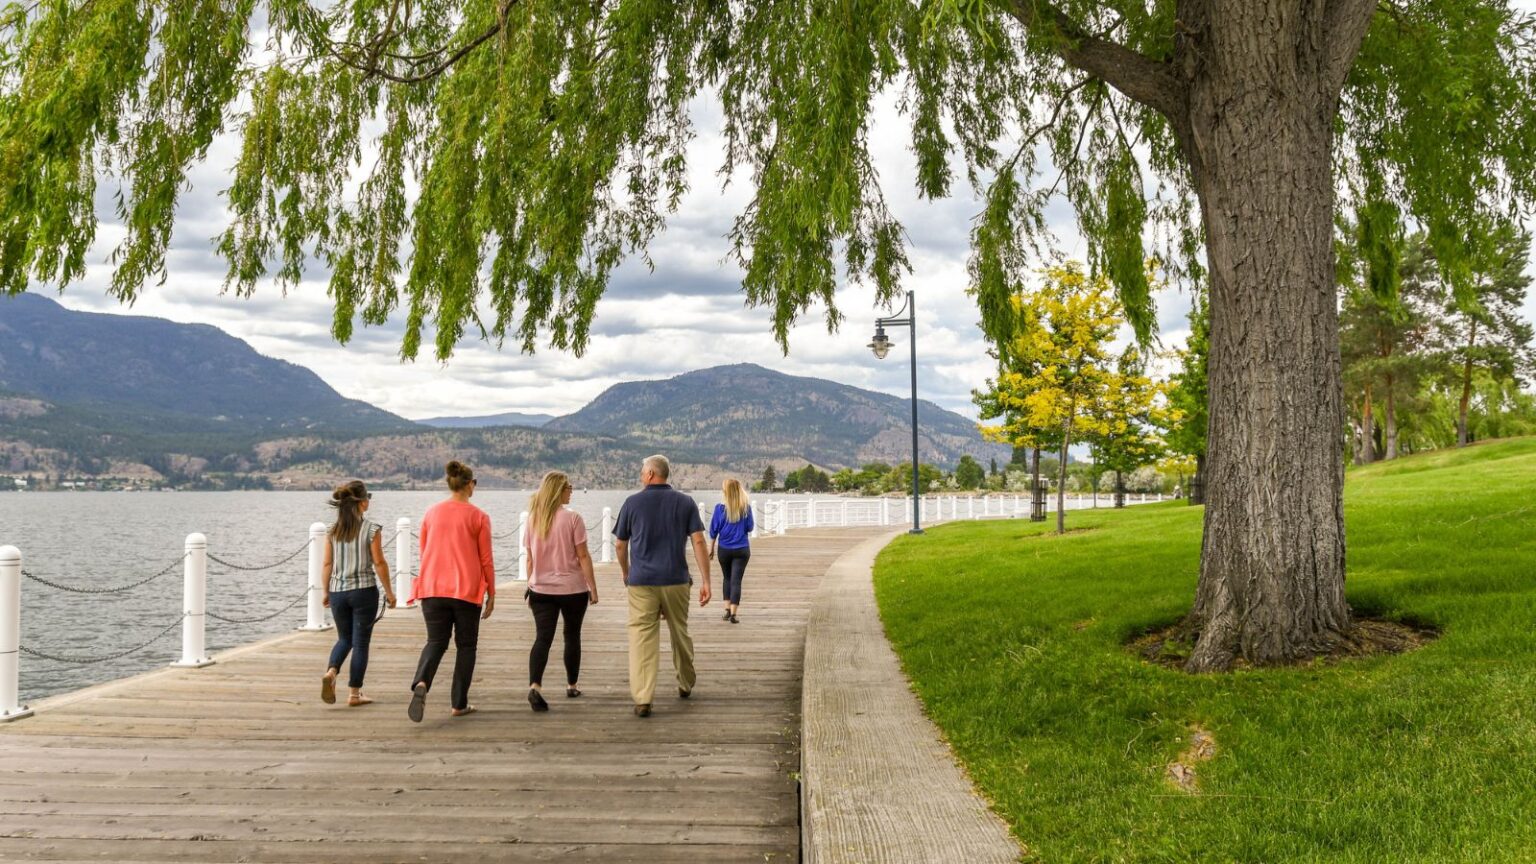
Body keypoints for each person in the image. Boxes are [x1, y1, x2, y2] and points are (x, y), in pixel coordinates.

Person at [614, 454, 712, 717]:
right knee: (680, 631)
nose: (640, 475)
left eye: (641, 472)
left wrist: (626, 573)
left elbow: (620, 544)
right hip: (676, 579)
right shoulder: (685, 502)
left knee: (642, 636)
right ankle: (685, 682)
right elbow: (699, 542)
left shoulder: (632, 503)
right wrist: (706, 580)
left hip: (642, 581)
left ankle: (643, 697)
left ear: (650, 475)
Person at [408, 460, 495, 721]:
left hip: (432, 588)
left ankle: (422, 682)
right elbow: (486, 559)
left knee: (436, 641)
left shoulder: (431, 513)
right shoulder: (478, 516)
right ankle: (459, 703)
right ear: (470, 485)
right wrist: (492, 592)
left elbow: (424, 551)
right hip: (465, 591)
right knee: (466, 646)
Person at [523, 470, 598, 711]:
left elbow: (530, 559)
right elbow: (583, 556)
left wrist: (529, 585)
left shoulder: (533, 518)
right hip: (572, 589)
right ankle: (571, 685)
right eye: (569, 487)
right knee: (572, 635)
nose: (572, 490)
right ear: (559, 490)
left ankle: (535, 686)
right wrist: (592, 588)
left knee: (542, 638)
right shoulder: (573, 518)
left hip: (541, 590)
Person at [320, 480, 396, 707]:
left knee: (344, 639)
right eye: (368, 498)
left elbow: (327, 564)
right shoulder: (371, 529)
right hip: (364, 592)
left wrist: (326, 592)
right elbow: (379, 562)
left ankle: (332, 672)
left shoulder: (332, 531)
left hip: (338, 593)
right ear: (362, 503)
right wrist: (390, 593)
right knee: (361, 642)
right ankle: (354, 694)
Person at [709, 478, 754, 624]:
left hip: (724, 549)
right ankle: (734, 614)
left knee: (727, 578)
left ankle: (727, 610)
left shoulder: (719, 509)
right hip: (742, 549)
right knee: (736, 581)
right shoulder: (745, 508)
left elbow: (713, 530)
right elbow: (750, 527)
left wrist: (711, 548)